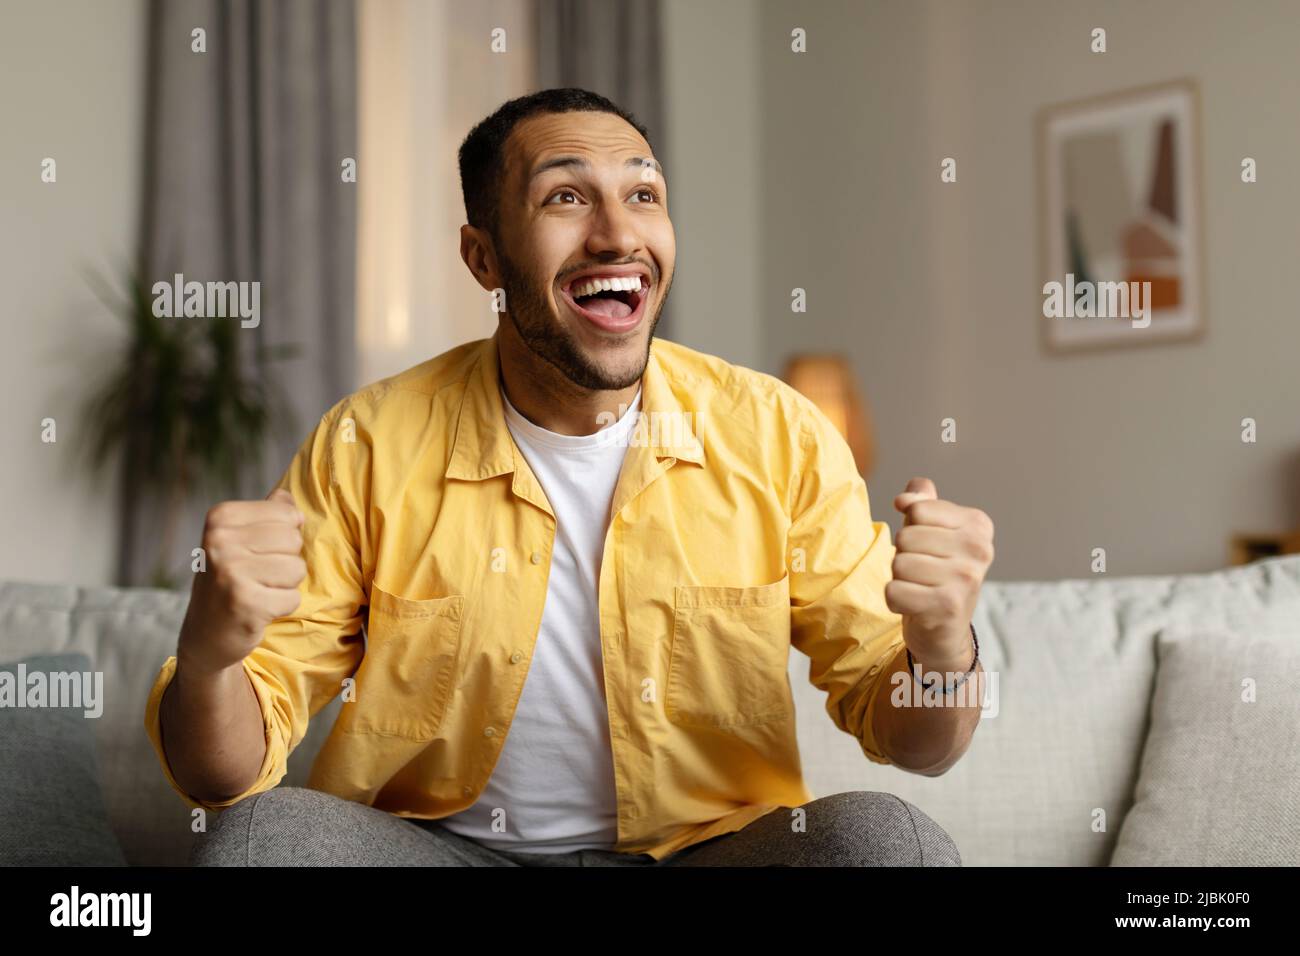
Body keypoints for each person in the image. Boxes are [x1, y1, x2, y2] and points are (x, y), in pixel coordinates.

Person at [144, 88, 994, 867]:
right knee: (261, 839)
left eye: (643, 194)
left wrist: (944, 645)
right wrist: (211, 659)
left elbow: (921, 745)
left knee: (887, 841)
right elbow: (222, 776)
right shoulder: (368, 442)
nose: (618, 234)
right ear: (483, 258)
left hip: (700, 856)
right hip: (439, 853)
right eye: (565, 196)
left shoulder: (775, 435)